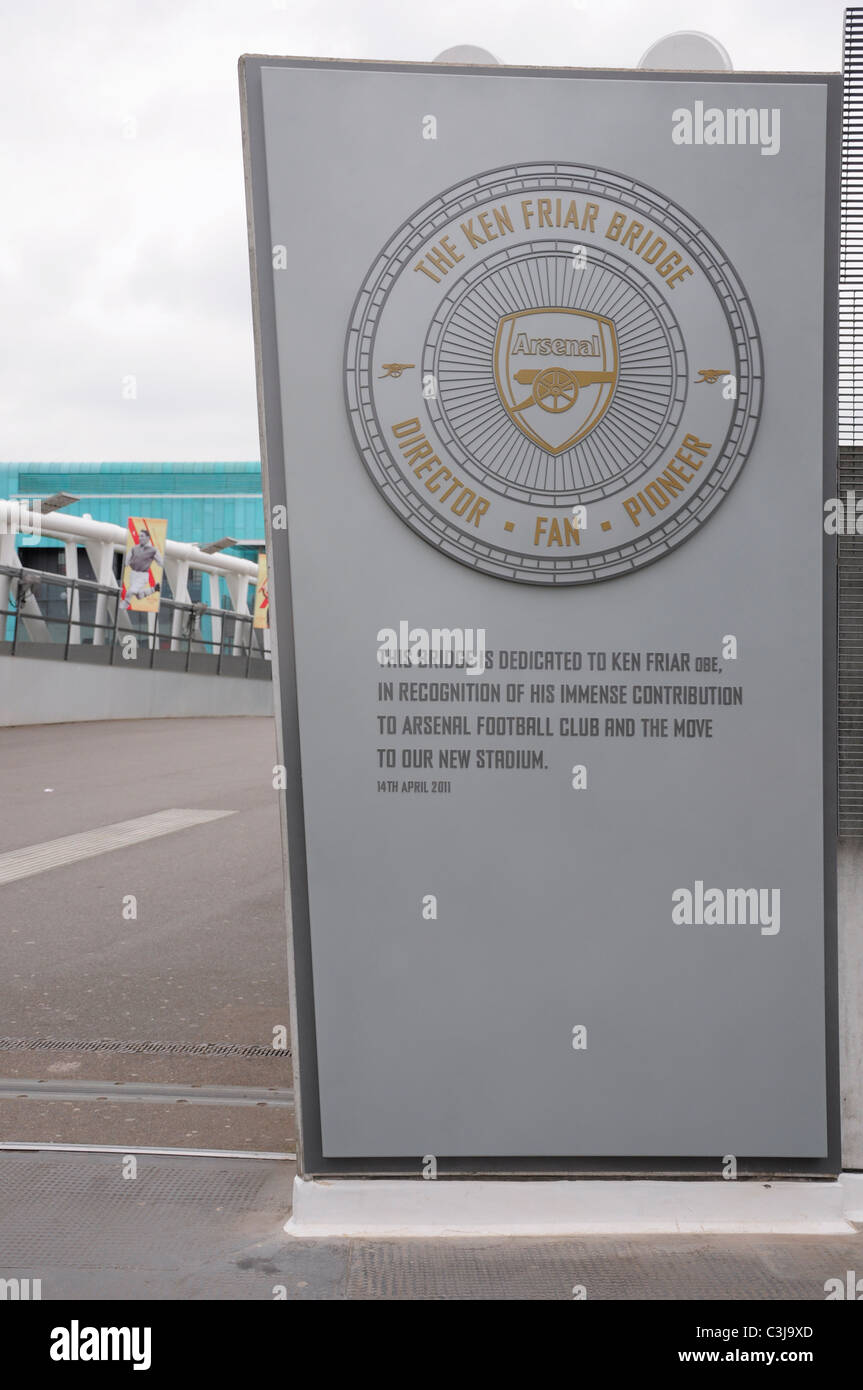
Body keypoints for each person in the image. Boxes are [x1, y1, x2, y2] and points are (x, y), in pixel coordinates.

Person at [121, 525, 163, 610]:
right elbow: (126, 562)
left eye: (142, 536)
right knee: (138, 595)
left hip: (142, 575)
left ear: (148, 538)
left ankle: (122, 607)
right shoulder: (134, 548)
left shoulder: (153, 550)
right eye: (139, 536)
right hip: (133, 574)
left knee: (131, 591)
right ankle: (154, 589)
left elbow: (161, 562)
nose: (140, 538)